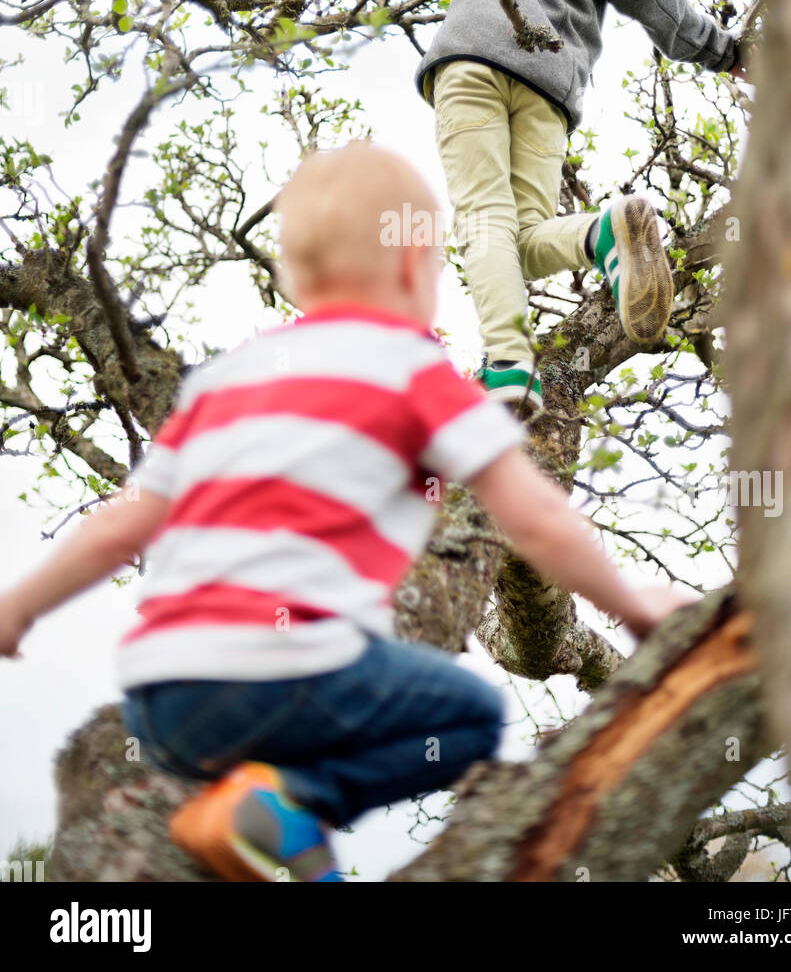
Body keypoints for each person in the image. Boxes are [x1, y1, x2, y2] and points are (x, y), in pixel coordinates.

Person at [0, 142, 692, 882]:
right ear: (411, 266)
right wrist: (635, 609)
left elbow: (120, 524)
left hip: (161, 703)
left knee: (277, 729)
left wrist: (17, 609)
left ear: (295, 276)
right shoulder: (414, 367)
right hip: (286, 672)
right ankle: (294, 805)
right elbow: (535, 520)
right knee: (470, 715)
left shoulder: (223, 381)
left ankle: (270, 825)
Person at [277, 0, 750, 411]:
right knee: (515, 233)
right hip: (547, 91)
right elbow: (666, 12)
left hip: (470, 69)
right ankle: (598, 234)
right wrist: (731, 54)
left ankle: (509, 363)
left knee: (490, 226)